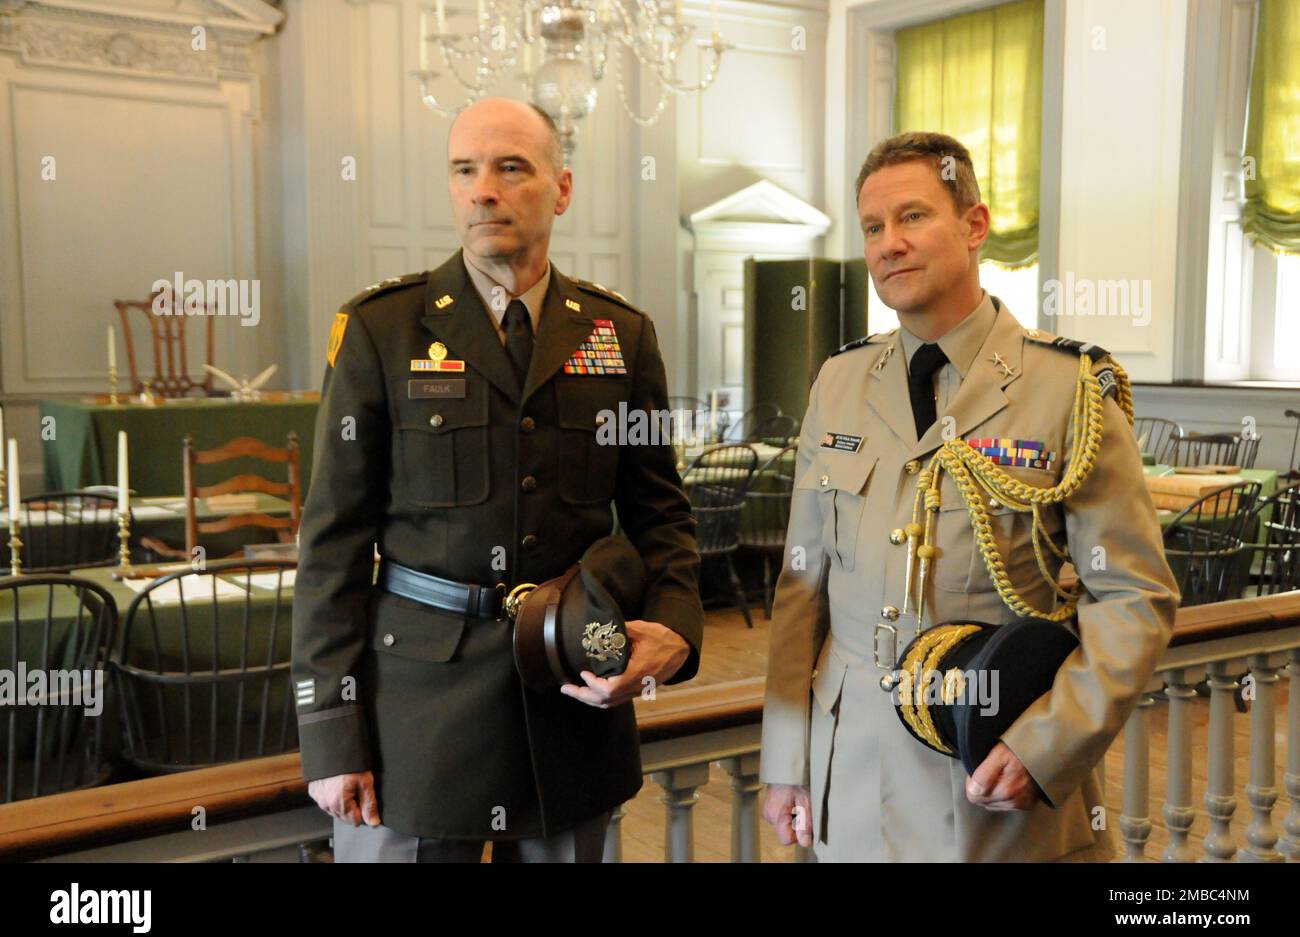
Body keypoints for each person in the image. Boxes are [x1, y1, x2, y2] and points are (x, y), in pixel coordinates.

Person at [291, 98, 703, 863]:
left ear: (562, 188)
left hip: (569, 696)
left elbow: (661, 513)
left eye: (511, 168)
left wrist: (676, 626)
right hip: (413, 718)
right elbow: (332, 544)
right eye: (465, 170)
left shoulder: (620, 335)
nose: (484, 189)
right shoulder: (383, 329)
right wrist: (329, 732)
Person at [759, 131, 1179, 862]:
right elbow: (802, 589)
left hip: (994, 763)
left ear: (974, 225)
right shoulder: (839, 382)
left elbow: (1134, 596)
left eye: (913, 217)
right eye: (873, 227)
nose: (889, 243)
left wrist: (1048, 743)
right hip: (851, 769)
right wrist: (785, 760)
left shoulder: (1067, 387)